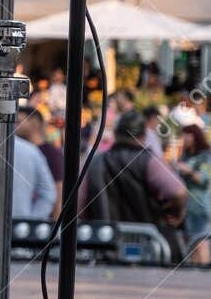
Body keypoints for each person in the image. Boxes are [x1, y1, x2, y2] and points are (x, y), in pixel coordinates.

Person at [80, 110, 188, 260]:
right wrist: (176, 213)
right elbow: (179, 192)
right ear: (143, 135)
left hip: (106, 246)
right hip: (149, 246)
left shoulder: (97, 162)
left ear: (116, 134)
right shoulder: (149, 161)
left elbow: (80, 204)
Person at [174, 123, 211, 265]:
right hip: (185, 205)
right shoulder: (185, 154)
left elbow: (204, 179)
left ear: (196, 136)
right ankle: (194, 267)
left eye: (188, 134)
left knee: (200, 241)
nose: (184, 138)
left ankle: (204, 266)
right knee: (189, 240)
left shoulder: (205, 156)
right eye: (183, 134)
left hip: (198, 204)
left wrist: (189, 171)